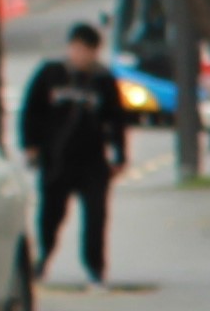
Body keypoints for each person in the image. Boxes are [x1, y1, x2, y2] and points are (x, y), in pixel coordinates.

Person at [16, 22, 128, 286]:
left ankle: (95, 268)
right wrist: (30, 146)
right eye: (75, 49)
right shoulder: (50, 74)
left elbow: (117, 119)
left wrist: (119, 154)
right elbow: (30, 110)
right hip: (57, 158)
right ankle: (43, 258)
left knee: (96, 216)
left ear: (94, 53)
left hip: (92, 161)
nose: (79, 56)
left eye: (85, 51)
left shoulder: (103, 80)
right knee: (51, 213)